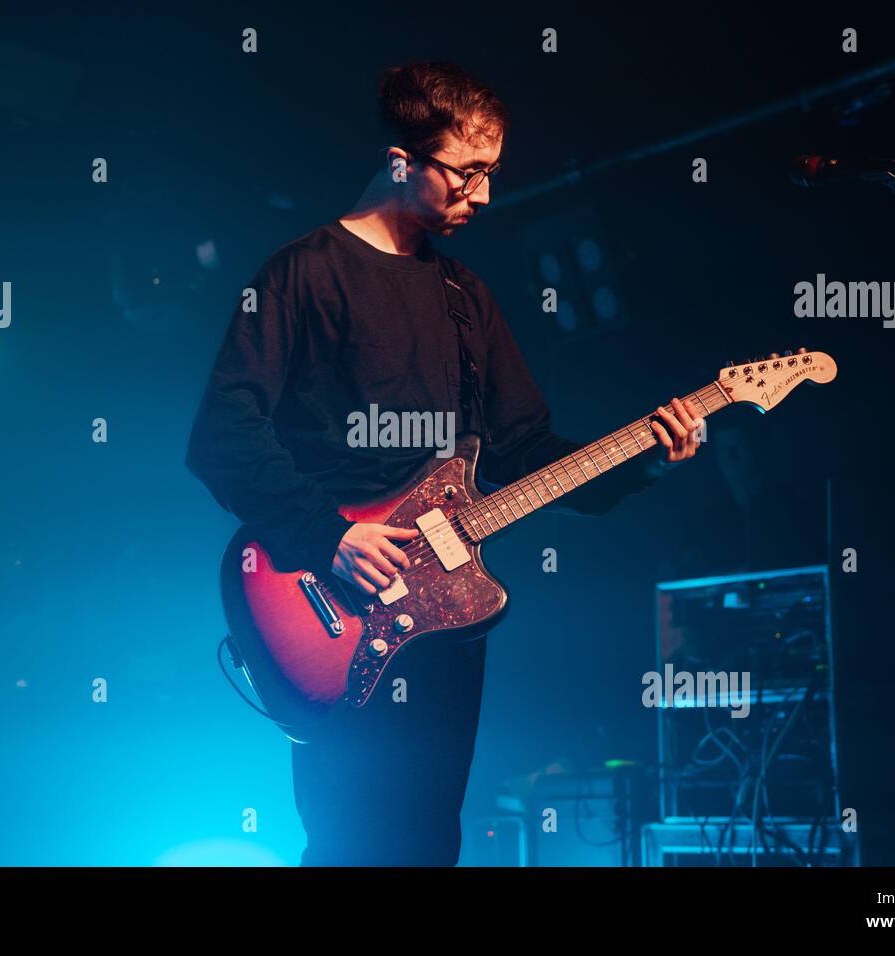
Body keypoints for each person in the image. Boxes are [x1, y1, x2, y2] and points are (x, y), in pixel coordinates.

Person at [186, 61, 701, 866]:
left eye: (492, 175)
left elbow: (527, 447)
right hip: (336, 606)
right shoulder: (302, 274)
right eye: (467, 173)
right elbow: (222, 433)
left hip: (445, 616)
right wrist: (329, 537)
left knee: (429, 841)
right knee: (350, 839)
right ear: (401, 161)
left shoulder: (467, 298)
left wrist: (646, 458)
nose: (484, 196)